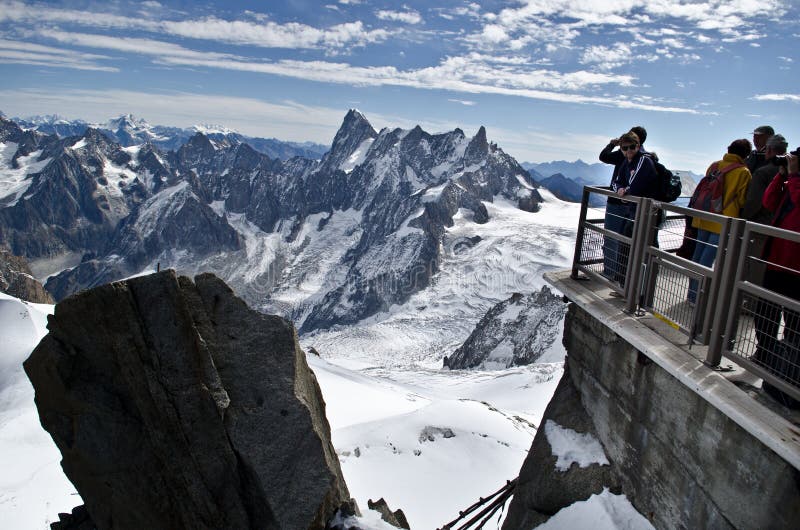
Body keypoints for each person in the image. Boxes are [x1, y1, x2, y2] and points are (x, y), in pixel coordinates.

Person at [753, 150, 800, 408]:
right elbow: (770, 202)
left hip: (796, 266)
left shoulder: (797, 183)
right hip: (776, 259)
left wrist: (793, 176)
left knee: (794, 318)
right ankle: (766, 353)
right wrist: (781, 176)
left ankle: (789, 365)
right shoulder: (791, 182)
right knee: (766, 311)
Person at [688, 139, 752, 302]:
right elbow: (743, 200)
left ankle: (691, 295)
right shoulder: (743, 172)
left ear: (729, 150)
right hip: (723, 223)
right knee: (707, 260)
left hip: (704, 217)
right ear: (746, 155)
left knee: (697, 256)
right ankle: (698, 299)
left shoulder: (714, 165)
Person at [599, 131, 659, 286]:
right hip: (633, 211)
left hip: (644, 213)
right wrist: (620, 188)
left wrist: (625, 189)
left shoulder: (643, 161)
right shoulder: (627, 161)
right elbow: (617, 182)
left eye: (632, 147)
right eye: (625, 148)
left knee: (637, 251)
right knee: (627, 247)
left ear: (638, 146)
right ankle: (624, 285)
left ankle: (638, 289)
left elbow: (634, 185)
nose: (628, 151)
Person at [743, 134, 787, 224]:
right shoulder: (792, 172)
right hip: (780, 223)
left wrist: (744, 218)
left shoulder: (762, 172)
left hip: (759, 223)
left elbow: (753, 201)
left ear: (769, 149)